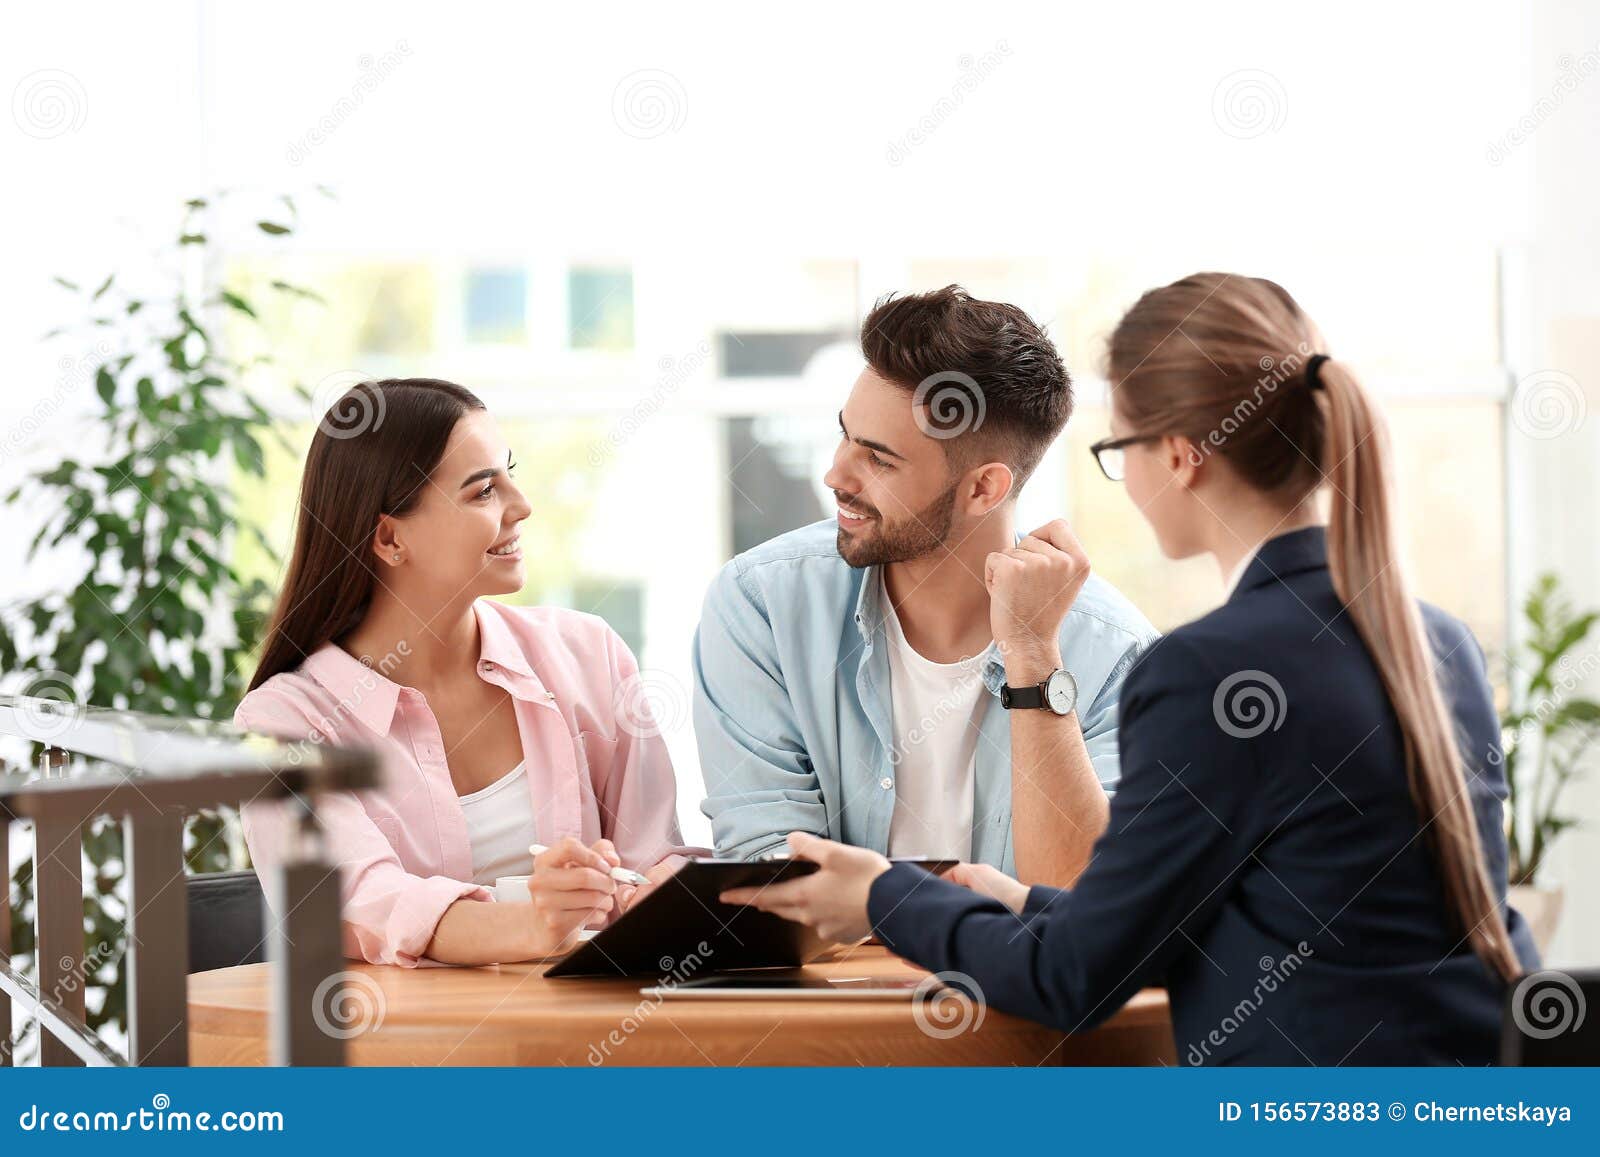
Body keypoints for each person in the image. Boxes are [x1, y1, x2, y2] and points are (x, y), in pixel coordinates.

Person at [723, 273, 1540, 1065]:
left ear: (1182, 455)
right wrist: (1026, 905)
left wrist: (883, 894)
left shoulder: (1202, 668)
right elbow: (1259, 919)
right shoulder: (1439, 642)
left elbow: (1076, 978)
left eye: (1120, 449)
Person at [693, 286, 1156, 885]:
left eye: (879, 460)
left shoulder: (1116, 655)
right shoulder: (763, 604)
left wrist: (1033, 655)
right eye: (844, 436)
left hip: (1014, 981)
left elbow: (1088, 900)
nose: (835, 474)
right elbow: (765, 863)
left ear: (983, 490)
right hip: (823, 982)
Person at [236, 378, 693, 968]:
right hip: (409, 1053)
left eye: (510, 474)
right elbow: (363, 901)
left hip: (596, 1039)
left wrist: (641, 891)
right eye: (483, 491)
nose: (522, 506)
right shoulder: (285, 722)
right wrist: (533, 922)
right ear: (389, 537)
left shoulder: (589, 655)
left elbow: (657, 857)